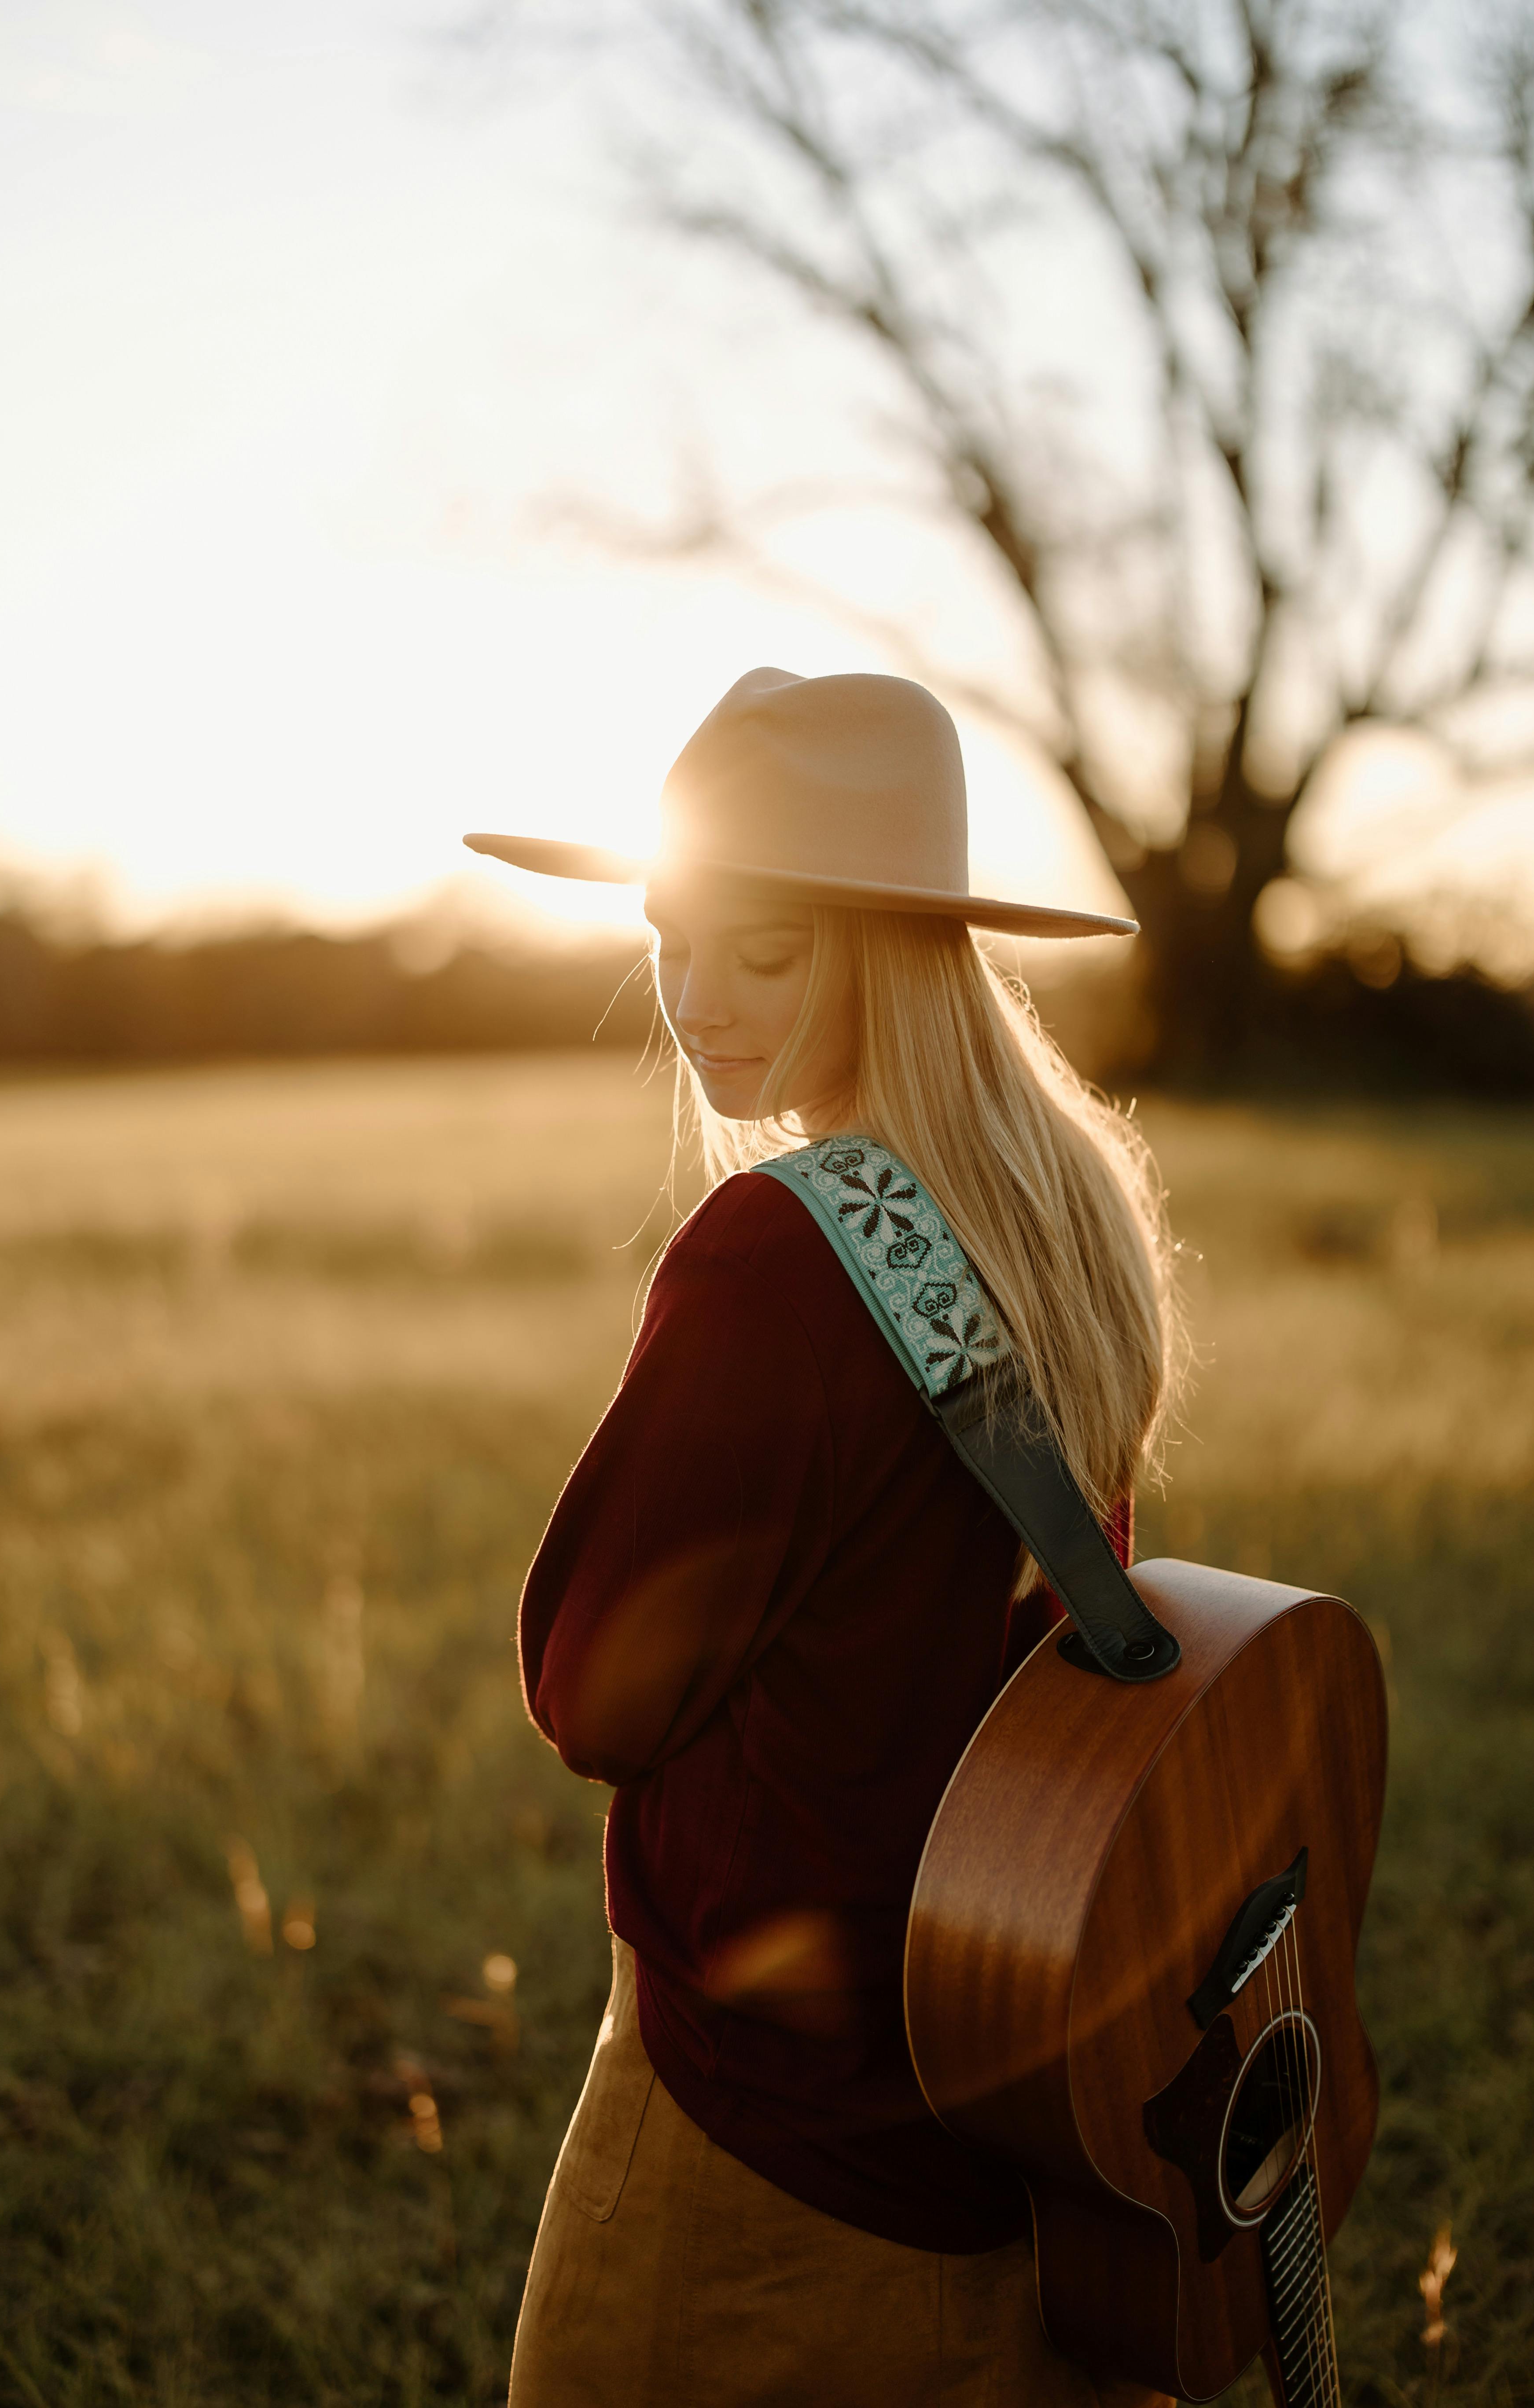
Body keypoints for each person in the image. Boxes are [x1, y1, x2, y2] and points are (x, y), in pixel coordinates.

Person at [465, 668, 1181, 2408]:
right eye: (671, 937)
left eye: (763, 951)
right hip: (1002, 2111)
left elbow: (591, 1695)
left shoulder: (778, 1251)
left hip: (755, 2138)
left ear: (889, 949)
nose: (697, 1001)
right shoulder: (1066, 1210)